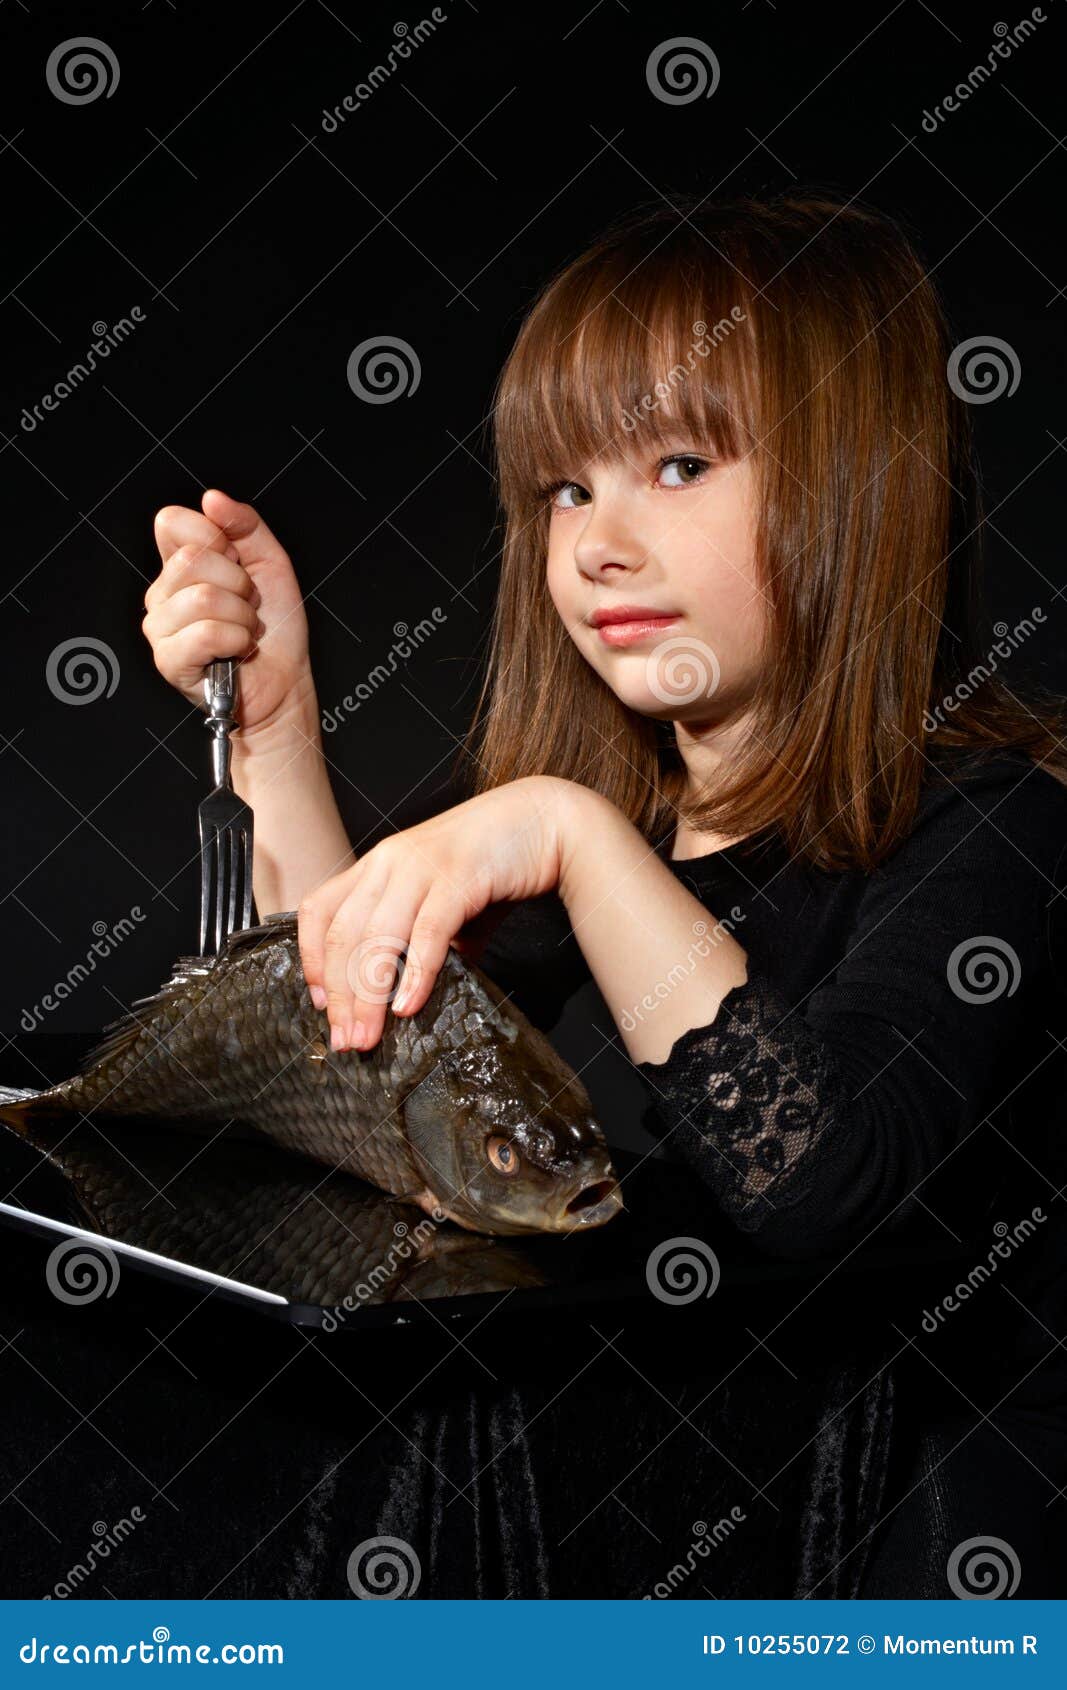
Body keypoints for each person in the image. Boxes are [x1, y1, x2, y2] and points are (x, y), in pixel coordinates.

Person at [141, 188, 1067, 1597]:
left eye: (679, 464)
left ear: (861, 478)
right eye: (567, 486)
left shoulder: (997, 825)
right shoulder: (626, 820)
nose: (596, 541)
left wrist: (570, 834)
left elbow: (820, 1180)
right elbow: (370, 1091)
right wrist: (274, 735)